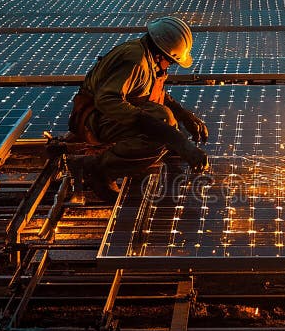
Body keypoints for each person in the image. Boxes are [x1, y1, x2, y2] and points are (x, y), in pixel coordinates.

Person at [67, 16, 209, 203]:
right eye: (172, 62)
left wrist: (182, 114)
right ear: (161, 55)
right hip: (95, 120)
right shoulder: (136, 61)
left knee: (168, 123)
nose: (170, 67)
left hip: (109, 116)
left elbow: (150, 92)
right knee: (162, 127)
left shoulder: (147, 57)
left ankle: (135, 153)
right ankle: (98, 169)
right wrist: (170, 136)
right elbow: (107, 101)